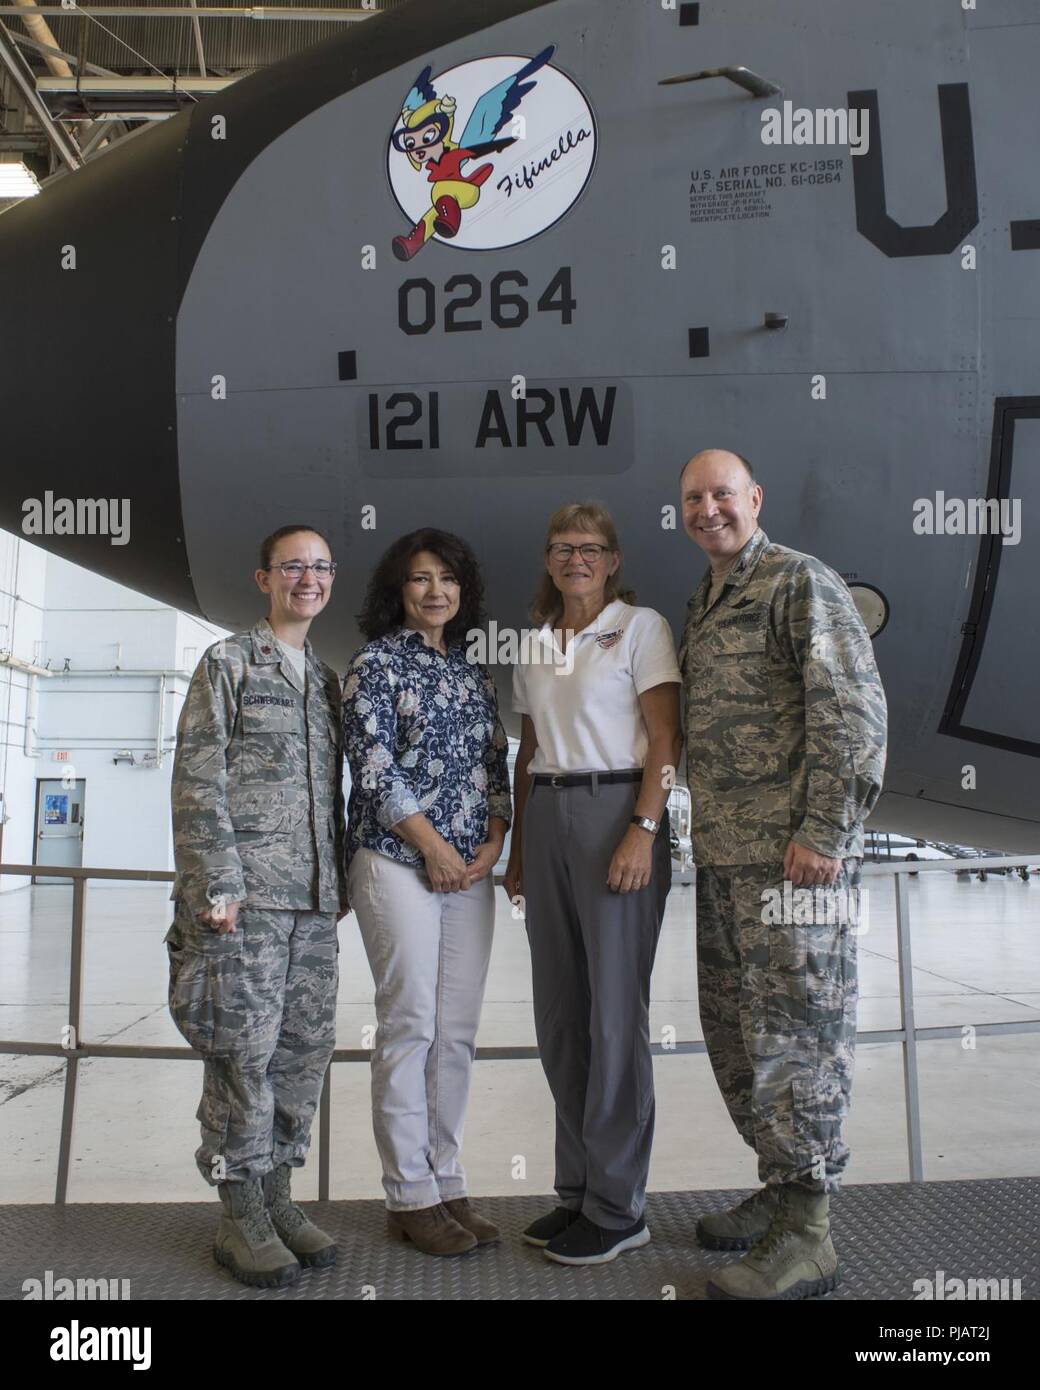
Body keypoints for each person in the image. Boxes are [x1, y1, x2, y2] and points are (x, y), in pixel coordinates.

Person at [678, 449, 887, 1300]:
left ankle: (809, 1234)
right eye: (693, 499)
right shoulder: (706, 600)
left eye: (721, 494)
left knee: (799, 1042)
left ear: (754, 498)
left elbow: (852, 710)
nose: (707, 509)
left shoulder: (798, 582)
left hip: (795, 864)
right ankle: (778, 1189)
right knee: (741, 1037)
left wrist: (824, 831)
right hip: (728, 858)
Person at [166, 525, 348, 1289]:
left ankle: (278, 1193)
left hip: (312, 904)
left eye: (319, 567)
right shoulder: (230, 663)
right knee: (242, 1057)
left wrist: (334, 884)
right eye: (292, 567)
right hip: (243, 906)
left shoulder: (327, 679)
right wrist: (217, 886)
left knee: (302, 1055)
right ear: (264, 578)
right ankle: (239, 1211)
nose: (307, 578)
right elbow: (197, 780)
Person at [505, 502, 682, 1266]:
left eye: (591, 547)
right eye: (562, 547)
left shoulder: (640, 629)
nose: (576, 558)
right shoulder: (534, 643)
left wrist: (643, 829)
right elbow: (529, 748)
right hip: (547, 815)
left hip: (618, 811)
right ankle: (575, 1191)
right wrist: (516, 848)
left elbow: (667, 739)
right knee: (562, 1017)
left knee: (613, 1018)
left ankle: (619, 1206)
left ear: (612, 559)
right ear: (548, 560)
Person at [342, 529, 510, 1256]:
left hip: (470, 871)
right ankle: (409, 1193)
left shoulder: (474, 672)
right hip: (395, 861)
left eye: (446, 578)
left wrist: (495, 838)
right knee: (410, 1023)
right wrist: (435, 848)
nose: (434, 590)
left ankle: (447, 1179)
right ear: (398, 591)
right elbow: (376, 772)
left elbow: (494, 763)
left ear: (462, 591)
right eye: (419, 579)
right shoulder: (375, 664)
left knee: (458, 1031)